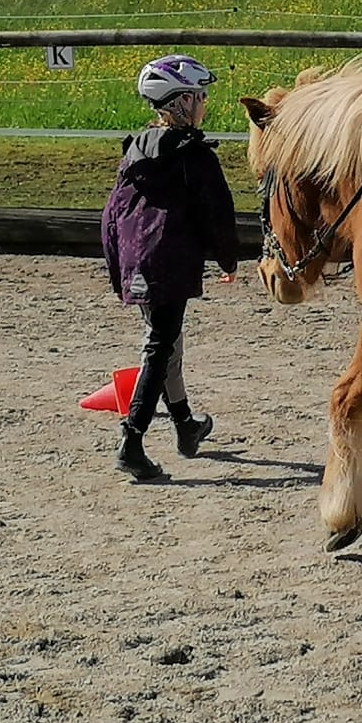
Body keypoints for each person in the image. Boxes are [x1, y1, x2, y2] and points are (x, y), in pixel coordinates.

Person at [101, 54, 240, 480]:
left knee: (166, 344)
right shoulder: (193, 156)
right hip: (168, 258)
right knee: (160, 348)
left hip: (133, 258)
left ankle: (185, 426)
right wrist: (228, 259)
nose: (205, 104)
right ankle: (132, 440)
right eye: (199, 97)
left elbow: (113, 212)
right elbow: (218, 212)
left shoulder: (135, 150)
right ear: (179, 103)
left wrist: (116, 265)